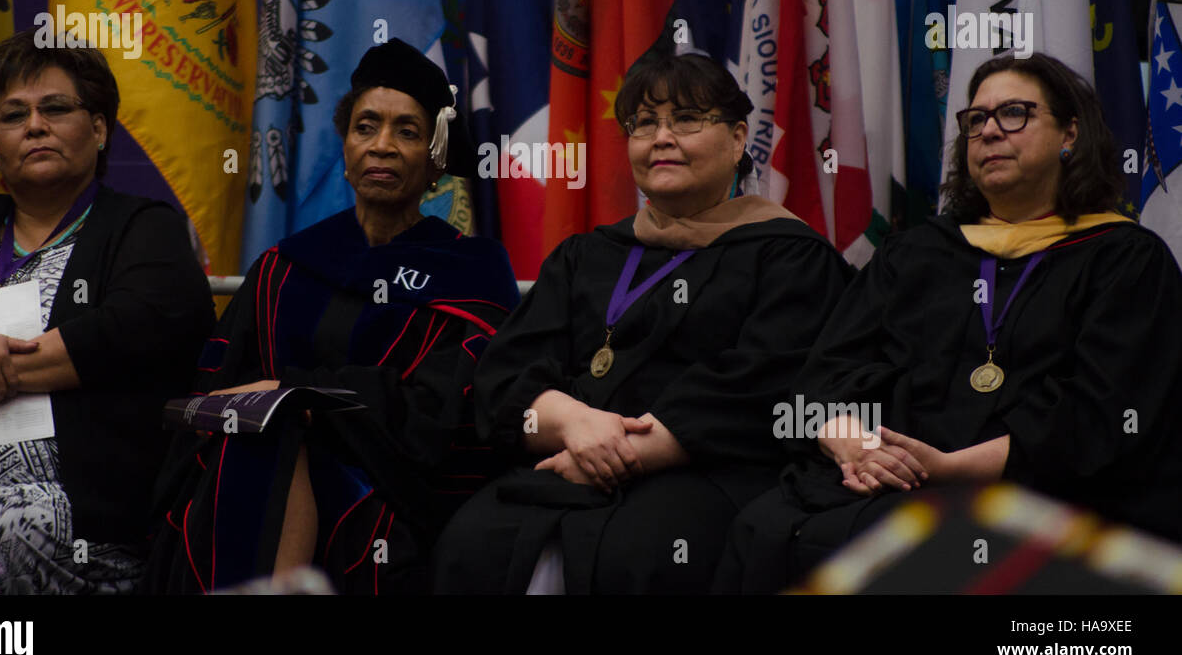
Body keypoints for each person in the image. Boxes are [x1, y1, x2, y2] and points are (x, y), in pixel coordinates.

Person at [714, 52, 1182, 594]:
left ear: (1069, 134)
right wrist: (851, 443)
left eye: (1013, 113)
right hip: (876, 479)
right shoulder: (916, 253)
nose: (987, 132)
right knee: (765, 527)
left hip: (1038, 495)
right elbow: (825, 374)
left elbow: (1107, 416)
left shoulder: (1125, 261)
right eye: (975, 119)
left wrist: (951, 467)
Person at [431, 52, 851, 594]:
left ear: (739, 137)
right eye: (644, 123)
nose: (661, 137)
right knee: (473, 540)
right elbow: (506, 371)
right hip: (564, 458)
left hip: (702, 473)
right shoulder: (586, 256)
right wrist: (572, 423)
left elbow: (767, 383)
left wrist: (617, 453)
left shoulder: (788, 256)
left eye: (687, 119)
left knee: (644, 552)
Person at [145, 39, 520, 595]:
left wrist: (298, 399)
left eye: (408, 132)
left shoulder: (472, 274)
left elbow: (450, 417)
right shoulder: (285, 266)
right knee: (249, 452)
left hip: (393, 495)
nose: (382, 146)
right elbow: (218, 393)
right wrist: (286, 409)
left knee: (282, 445)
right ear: (344, 148)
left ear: (436, 159)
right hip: (257, 471)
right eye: (366, 127)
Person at [0, 29, 214, 593]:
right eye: (13, 116)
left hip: (64, 517)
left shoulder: (144, 227)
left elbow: (128, 330)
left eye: (55, 109)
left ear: (100, 128)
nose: (35, 126)